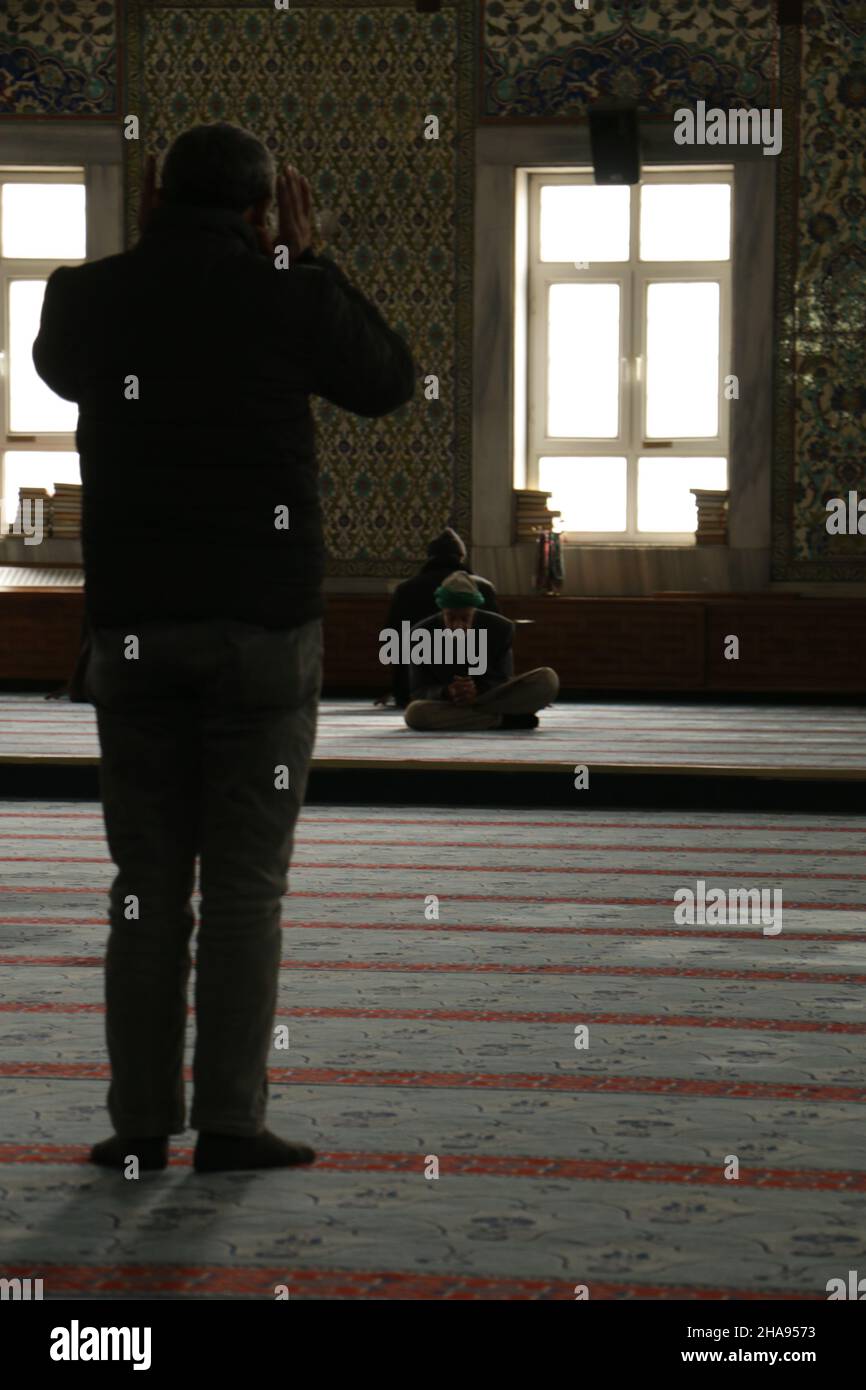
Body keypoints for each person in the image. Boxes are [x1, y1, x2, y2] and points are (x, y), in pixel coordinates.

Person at [31, 121, 415, 1173]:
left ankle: (140, 1124)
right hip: (264, 636)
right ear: (262, 210)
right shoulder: (285, 292)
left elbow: (62, 365)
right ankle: (233, 1124)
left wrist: (141, 252)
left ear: (153, 194)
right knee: (247, 889)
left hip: (137, 638)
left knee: (145, 884)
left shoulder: (86, 297)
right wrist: (308, 258)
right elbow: (387, 379)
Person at [404, 571, 559, 731]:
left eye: (465, 618)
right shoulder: (420, 635)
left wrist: (476, 692)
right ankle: (503, 720)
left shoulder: (500, 628)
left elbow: (502, 679)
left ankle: (475, 718)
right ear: (443, 612)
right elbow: (419, 690)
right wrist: (447, 692)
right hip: (446, 702)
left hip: (488, 697)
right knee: (415, 713)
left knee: (547, 680)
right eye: (451, 618)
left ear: (474, 612)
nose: (458, 625)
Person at [381, 527, 498, 707]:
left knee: (418, 711)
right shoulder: (484, 589)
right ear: (460, 557)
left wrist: (401, 686)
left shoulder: (406, 589)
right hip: (475, 686)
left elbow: (392, 645)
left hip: (419, 688)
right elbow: (495, 646)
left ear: (430, 557)